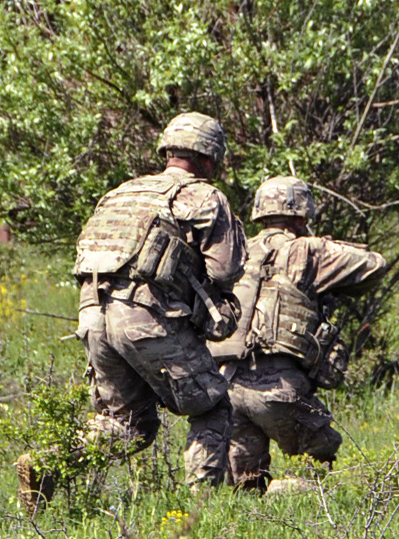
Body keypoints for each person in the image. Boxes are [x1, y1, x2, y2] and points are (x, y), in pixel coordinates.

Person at [26, 113, 245, 506]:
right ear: (210, 157)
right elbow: (225, 269)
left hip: (93, 315)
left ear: (168, 149)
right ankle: (204, 512)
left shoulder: (120, 192)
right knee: (213, 406)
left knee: (126, 425)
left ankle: (47, 462)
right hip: (147, 318)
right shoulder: (205, 197)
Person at [211, 176, 387, 494]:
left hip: (228, 388)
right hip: (278, 388)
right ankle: (289, 497)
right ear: (301, 213)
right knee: (318, 455)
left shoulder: (239, 251)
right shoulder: (307, 250)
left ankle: (249, 530)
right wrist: (327, 246)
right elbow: (375, 265)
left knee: (246, 484)